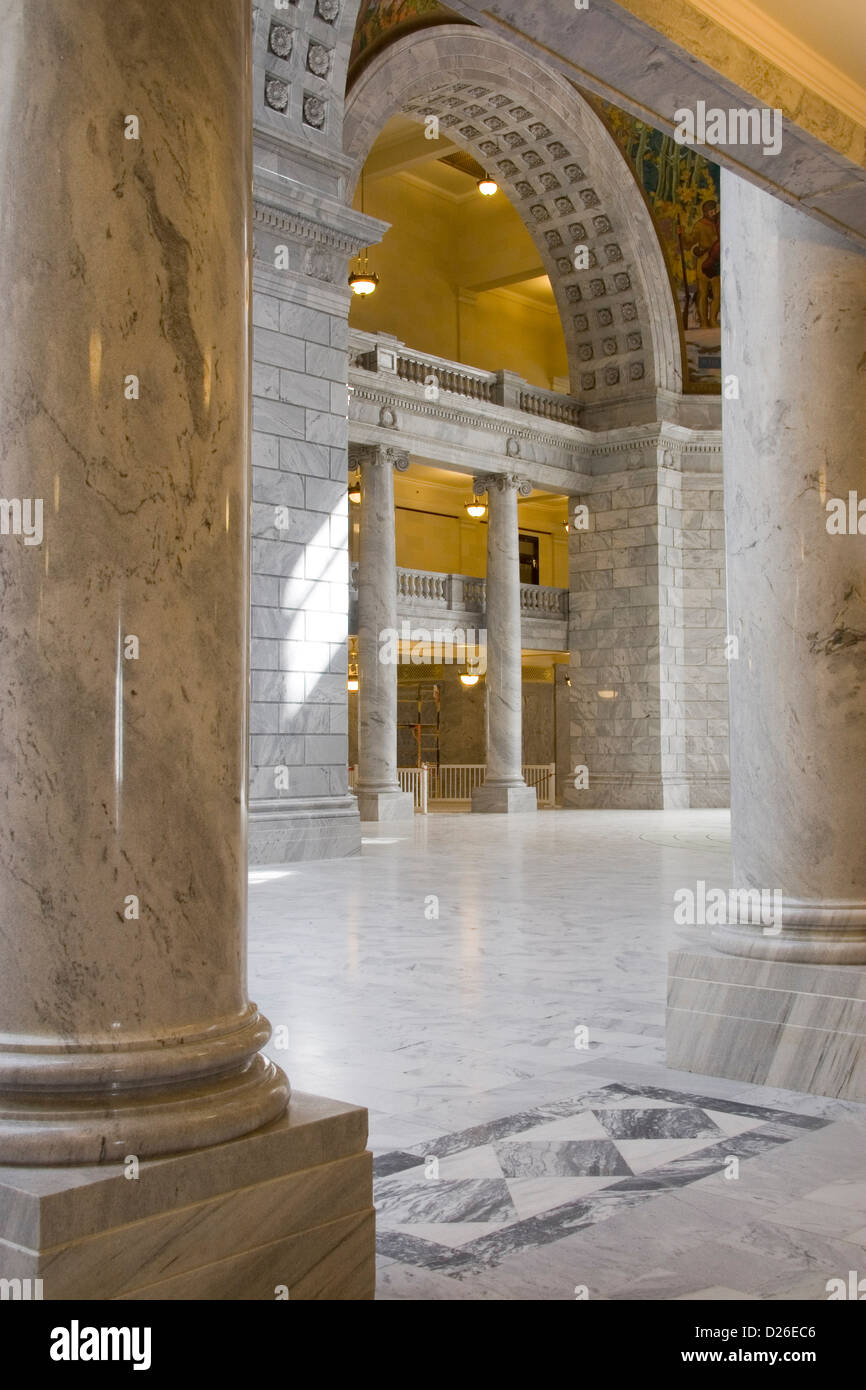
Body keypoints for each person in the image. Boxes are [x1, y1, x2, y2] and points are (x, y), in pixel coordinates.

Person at [691, 199, 721, 329]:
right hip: (703, 260)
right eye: (711, 211)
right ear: (705, 212)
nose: (713, 213)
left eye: (714, 210)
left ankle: (713, 320)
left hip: (716, 260)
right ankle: (703, 322)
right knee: (702, 293)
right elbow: (690, 241)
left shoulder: (719, 223)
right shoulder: (699, 225)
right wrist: (682, 235)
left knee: (717, 294)